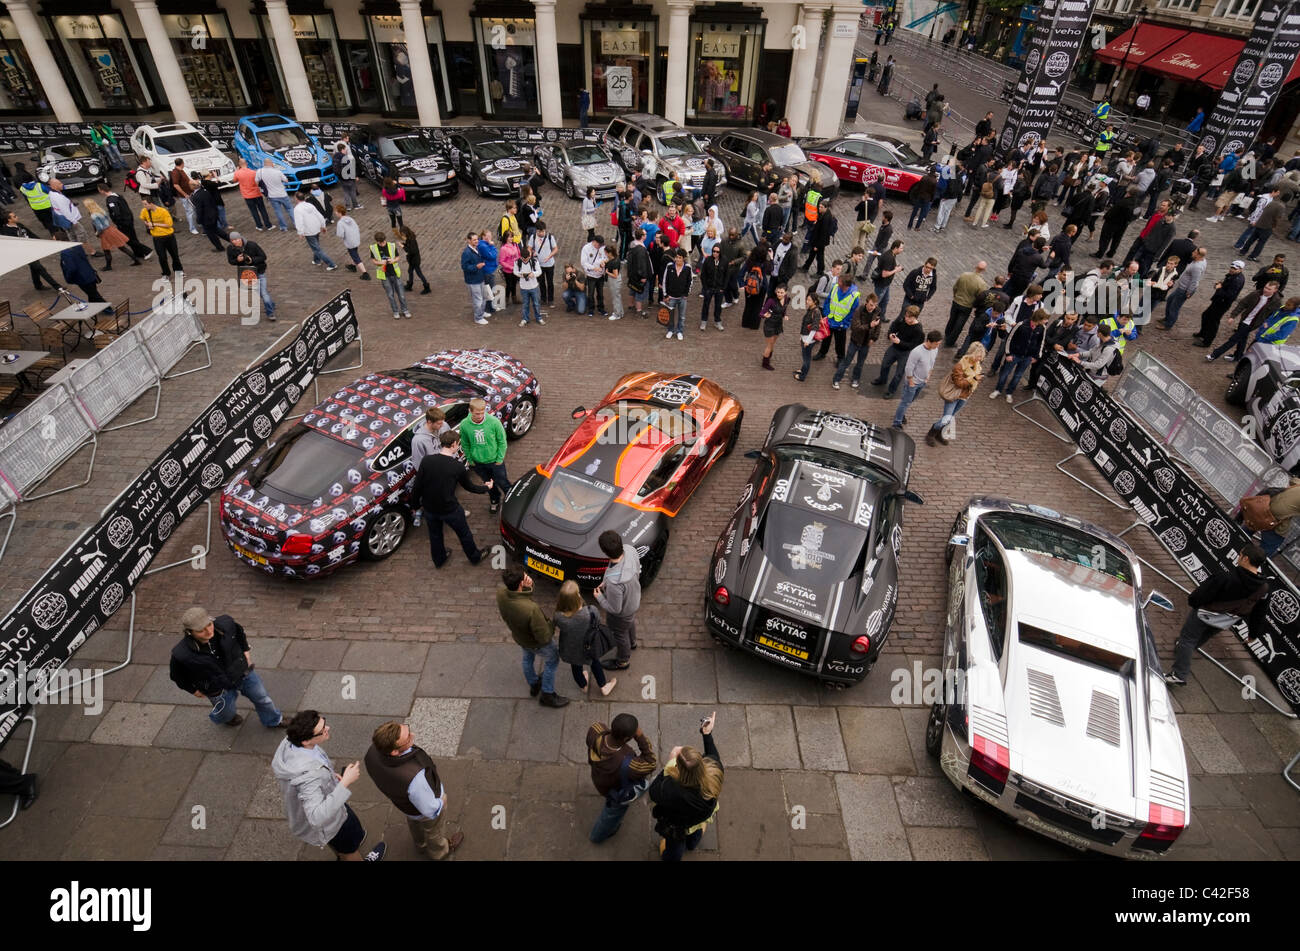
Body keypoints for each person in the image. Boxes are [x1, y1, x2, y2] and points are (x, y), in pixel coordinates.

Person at [272, 711, 385, 862]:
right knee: (349, 849)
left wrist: (330, 778)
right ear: (306, 741)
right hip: (332, 822)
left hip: (332, 806)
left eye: (324, 722)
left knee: (346, 841)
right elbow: (317, 817)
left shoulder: (291, 742)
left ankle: (349, 846)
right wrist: (345, 783)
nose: (328, 728)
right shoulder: (308, 777)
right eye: (322, 729)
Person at [1165, 545, 1268, 686]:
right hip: (1226, 620)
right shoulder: (1263, 588)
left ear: (1246, 558)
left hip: (1205, 614)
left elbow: (1202, 594)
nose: (1238, 556)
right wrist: (1253, 634)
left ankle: (1179, 674)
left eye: (1240, 554)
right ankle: (1183, 651)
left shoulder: (1227, 577)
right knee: (1201, 638)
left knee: (1187, 639)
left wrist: (1194, 602)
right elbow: (1259, 612)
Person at [169, 607, 288, 728]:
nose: (209, 631)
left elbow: (239, 632)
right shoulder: (181, 654)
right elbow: (176, 675)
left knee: (262, 698)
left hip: (242, 673)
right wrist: (192, 690)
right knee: (226, 712)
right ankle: (228, 717)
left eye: (209, 624)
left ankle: (274, 720)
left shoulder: (226, 624)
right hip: (217, 688)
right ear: (189, 632)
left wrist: (245, 649)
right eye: (201, 630)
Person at [364, 720, 463, 860]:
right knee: (433, 830)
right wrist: (441, 802)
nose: (413, 735)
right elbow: (430, 810)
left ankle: (420, 845)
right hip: (426, 806)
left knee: (415, 823)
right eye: (408, 737)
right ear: (394, 751)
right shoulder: (415, 778)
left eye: (407, 729)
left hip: (405, 805)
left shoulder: (371, 753)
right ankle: (440, 852)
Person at [649, 711, 723, 861]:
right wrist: (706, 734)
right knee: (696, 830)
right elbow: (713, 755)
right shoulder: (714, 771)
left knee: (675, 846)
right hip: (700, 816)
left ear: (679, 767)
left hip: (678, 824)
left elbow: (653, 791)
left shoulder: (671, 788)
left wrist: (668, 765)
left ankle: (671, 858)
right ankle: (692, 843)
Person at [410, 428, 489, 567]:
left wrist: (415, 506)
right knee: (464, 534)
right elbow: (470, 487)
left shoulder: (427, 461)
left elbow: (417, 486)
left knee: (435, 536)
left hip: (430, 509)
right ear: (453, 444)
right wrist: (486, 487)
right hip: (450, 510)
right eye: (458, 444)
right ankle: (475, 557)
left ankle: (439, 559)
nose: (458, 446)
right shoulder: (457, 466)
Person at [498, 566, 568, 707]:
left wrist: (528, 587)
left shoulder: (501, 594)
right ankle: (547, 694)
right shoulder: (531, 610)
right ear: (521, 584)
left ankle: (534, 683)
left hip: (521, 637)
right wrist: (551, 625)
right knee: (552, 661)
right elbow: (544, 637)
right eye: (525, 577)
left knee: (527, 658)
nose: (528, 577)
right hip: (536, 642)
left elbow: (521, 599)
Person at [587, 713, 657, 843]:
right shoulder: (628, 763)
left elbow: (603, 730)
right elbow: (651, 762)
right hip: (614, 792)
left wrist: (619, 731)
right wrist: (640, 737)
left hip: (598, 777)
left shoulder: (595, 730)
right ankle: (597, 836)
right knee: (611, 815)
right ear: (627, 738)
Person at [554, 580, 616, 697]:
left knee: (576, 667)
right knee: (595, 663)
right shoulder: (590, 611)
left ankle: (583, 685)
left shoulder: (558, 616)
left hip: (571, 648)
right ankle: (603, 686)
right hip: (589, 645)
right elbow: (597, 623)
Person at [594, 530, 641, 671]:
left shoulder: (615, 583)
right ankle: (633, 643)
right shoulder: (630, 550)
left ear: (604, 551)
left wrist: (600, 597)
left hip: (621, 613)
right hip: (633, 600)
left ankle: (623, 661)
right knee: (629, 622)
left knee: (620, 635)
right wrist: (606, 583)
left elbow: (615, 609)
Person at [1208, 279, 1282, 362]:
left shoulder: (1277, 302)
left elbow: (1275, 315)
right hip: (1244, 320)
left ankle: (1214, 355)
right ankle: (1238, 356)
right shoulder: (1255, 294)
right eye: (1265, 287)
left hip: (1253, 324)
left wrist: (1267, 323)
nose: (1266, 290)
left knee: (1233, 339)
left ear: (1275, 290)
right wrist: (1233, 316)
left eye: (1269, 289)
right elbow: (1242, 303)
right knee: (1242, 339)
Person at [927, 342, 985, 446]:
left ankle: (939, 434)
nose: (979, 358)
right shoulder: (960, 366)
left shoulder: (977, 366)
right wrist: (974, 379)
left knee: (950, 417)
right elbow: (958, 383)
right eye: (977, 356)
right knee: (946, 419)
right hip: (954, 395)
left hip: (965, 395)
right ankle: (931, 433)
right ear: (972, 354)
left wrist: (975, 380)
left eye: (981, 356)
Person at [991, 308, 1047, 401]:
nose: (1046, 321)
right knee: (1005, 373)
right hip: (1014, 355)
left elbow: (1040, 342)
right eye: (1045, 319)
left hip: (1027, 357)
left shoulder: (1042, 328)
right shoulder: (1021, 325)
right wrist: (1008, 354)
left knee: (1018, 376)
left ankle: (1009, 392)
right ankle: (998, 390)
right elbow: (1010, 338)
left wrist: (1036, 356)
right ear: (1039, 319)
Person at [892, 331, 942, 429]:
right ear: (929, 341)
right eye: (936, 344)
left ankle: (901, 415)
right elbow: (909, 368)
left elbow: (932, 363)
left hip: (922, 382)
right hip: (913, 383)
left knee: (909, 401)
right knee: (905, 402)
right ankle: (897, 422)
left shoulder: (934, 349)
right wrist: (911, 382)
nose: (937, 346)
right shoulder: (917, 351)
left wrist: (928, 376)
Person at [832, 291, 881, 389]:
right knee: (847, 361)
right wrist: (869, 326)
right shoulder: (859, 310)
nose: (873, 307)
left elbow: (878, 326)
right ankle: (836, 379)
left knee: (860, 363)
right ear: (866, 302)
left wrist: (874, 338)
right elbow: (855, 327)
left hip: (866, 343)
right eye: (871, 305)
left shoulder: (877, 311)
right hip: (855, 341)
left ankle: (855, 379)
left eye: (875, 305)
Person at [2, 211, 62, 291]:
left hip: (32, 249)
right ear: (9, 220)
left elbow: (30, 234)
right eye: (14, 216)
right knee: (40, 268)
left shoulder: (19, 225)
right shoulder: (6, 231)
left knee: (35, 268)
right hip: (24, 254)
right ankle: (57, 287)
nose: (17, 217)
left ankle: (37, 285)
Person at [227, 231, 275, 321]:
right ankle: (271, 304)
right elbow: (231, 261)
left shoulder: (252, 245)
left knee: (263, 293)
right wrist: (237, 260)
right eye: (232, 240)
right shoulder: (230, 249)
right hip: (248, 275)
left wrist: (251, 260)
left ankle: (270, 313)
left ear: (240, 238)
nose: (235, 242)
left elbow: (263, 257)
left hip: (259, 272)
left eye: (236, 239)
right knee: (260, 293)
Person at [1157, 246, 1207, 329]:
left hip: (1184, 290)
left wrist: (1189, 292)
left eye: (1194, 252)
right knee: (1170, 300)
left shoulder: (1197, 267)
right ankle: (1167, 318)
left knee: (1174, 307)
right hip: (1181, 287)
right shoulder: (1202, 260)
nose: (1192, 253)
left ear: (1198, 256)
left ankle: (1168, 325)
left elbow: (1195, 281)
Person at [83, 198, 136, 270]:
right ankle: (136, 260)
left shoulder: (93, 215)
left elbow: (100, 227)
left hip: (105, 232)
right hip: (111, 229)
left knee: (106, 250)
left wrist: (97, 233)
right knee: (121, 247)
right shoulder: (101, 210)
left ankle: (108, 266)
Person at [945, 262, 989, 347]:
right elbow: (980, 297)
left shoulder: (964, 275)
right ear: (984, 270)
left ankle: (947, 334)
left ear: (975, 266)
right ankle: (950, 342)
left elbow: (955, 287)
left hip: (956, 301)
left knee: (952, 319)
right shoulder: (981, 283)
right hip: (967, 306)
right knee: (959, 325)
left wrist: (955, 296)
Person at [139, 195, 182, 278]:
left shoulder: (163, 211)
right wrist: (148, 225)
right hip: (157, 238)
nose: (144, 206)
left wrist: (154, 224)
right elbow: (143, 219)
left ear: (151, 203)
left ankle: (179, 270)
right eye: (143, 204)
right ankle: (166, 273)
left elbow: (169, 224)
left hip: (168, 236)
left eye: (145, 204)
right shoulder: (144, 211)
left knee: (174, 255)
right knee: (162, 257)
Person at [56, 232, 105, 304]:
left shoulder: (65, 253)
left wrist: (68, 278)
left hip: (81, 278)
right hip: (89, 273)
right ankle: (94, 307)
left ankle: (108, 309)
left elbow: (72, 268)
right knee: (92, 293)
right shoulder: (76, 246)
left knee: (94, 295)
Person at [293, 190, 336, 270]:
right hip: (316, 228)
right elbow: (319, 215)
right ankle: (316, 260)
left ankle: (331, 264)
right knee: (316, 245)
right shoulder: (310, 205)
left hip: (309, 231)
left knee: (316, 249)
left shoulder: (297, 209)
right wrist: (323, 225)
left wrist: (300, 232)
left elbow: (299, 221)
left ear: (296, 199)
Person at [371, 230, 410, 320]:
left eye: (383, 242)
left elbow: (398, 257)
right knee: (390, 295)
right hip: (384, 275)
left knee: (401, 294)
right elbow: (373, 260)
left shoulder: (391, 246)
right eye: (380, 243)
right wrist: (379, 262)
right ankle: (395, 311)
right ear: (377, 242)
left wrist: (393, 260)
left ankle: (405, 310)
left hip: (395, 273)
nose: (382, 244)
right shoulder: (373, 248)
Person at [663, 248, 694, 340]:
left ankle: (680, 331)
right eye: (676, 257)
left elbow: (690, 281)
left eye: (679, 258)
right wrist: (665, 295)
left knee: (682, 316)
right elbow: (665, 280)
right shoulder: (669, 266)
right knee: (670, 315)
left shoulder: (688, 268)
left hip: (682, 297)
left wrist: (686, 294)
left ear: (683, 258)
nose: (677, 259)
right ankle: (670, 330)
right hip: (671, 297)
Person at [759, 283, 789, 371]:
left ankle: (768, 357)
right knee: (769, 345)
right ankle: (765, 363)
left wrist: (785, 315)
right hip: (770, 325)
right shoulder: (771, 301)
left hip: (778, 325)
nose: (779, 294)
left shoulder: (787, 299)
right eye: (778, 292)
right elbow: (761, 313)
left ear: (786, 293)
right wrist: (765, 315)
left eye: (782, 292)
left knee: (773, 344)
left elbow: (784, 309)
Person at [256, 158, 292, 232]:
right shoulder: (277, 171)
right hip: (282, 194)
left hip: (272, 196)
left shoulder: (260, 171)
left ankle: (283, 227)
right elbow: (286, 180)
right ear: (271, 163)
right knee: (290, 209)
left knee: (278, 211)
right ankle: (296, 225)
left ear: (264, 164)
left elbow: (256, 182)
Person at [793, 290, 822, 382]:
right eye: (807, 299)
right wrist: (801, 337)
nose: (807, 301)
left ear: (815, 302)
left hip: (808, 341)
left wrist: (807, 341)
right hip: (804, 338)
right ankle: (802, 370)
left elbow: (814, 328)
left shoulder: (816, 312)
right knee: (805, 356)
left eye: (809, 300)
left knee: (807, 358)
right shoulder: (811, 309)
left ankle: (802, 376)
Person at [898, 257, 939, 321]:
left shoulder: (933, 276)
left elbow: (933, 288)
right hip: (909, 300)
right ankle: (893, 329)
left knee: (913, 318)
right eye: (927, 267)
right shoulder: (915, 272)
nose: (928, 269)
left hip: (920, 302)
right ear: (924, 264)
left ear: (934, 268)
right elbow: (905, 285)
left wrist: (927, 297)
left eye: (930, 268)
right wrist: (911, 295)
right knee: (902, 316)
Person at [461, 231, 489, 325]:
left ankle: (481, 312)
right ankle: (478, 317)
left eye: (477, 239)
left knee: (484, 297)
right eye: (474, 240)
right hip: (473, 280)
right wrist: (476, 267)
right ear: (469, 241)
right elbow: (464, 267)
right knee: (478, 300)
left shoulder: (476, 249)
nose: (477, 241)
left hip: (480, 277)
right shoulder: (467, 253)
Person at [410, 406, 449, 472]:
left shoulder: (444, 425)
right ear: (429, 422)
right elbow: (419, 464)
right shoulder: (418, 441)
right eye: (439, 423)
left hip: (448, 465)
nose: (442, 425)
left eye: (442, 422)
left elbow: (451, 442)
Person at [700, 242, 727, 331]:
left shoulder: (724, 261)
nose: (715, 253)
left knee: (718, 306)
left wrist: (723, 288)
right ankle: (704, 321)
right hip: (709, 287)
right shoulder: (708, 260)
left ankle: (717, 321)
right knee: (706, 305)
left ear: (720, 252)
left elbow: (727, 275)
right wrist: (705, 287)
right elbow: (703, 274)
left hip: (719, 288)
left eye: (717, 252)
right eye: (713, 251)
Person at [530, 221, 558, 307]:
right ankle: (543, 298)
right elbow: (529, 248)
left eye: (542, 231)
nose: (541, 233)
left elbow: (555, 249)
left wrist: (549, 256)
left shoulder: (550, 237)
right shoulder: (533, 237)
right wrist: (532, 252)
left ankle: (550, 299)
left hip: (549, 264)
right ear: (536, 230)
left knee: (550, 282)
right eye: (539, 232)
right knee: (541, 282)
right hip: (539, 265)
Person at [515, 245, 544, 326]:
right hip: (523, 287)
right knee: (525, 304)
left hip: (534, 286)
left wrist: (533, 274)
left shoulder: (534, 261)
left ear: (529, 256)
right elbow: (515, 271)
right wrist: (521, 274)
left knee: (536, 303)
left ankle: (538, 317)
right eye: (523, 259)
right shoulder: (517, 262)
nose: (525, 260)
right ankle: (525, 318)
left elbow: (539, 271)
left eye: (527, 258)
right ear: (521, 257)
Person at [581, 235, 609, 316]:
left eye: (601, 245)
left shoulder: (603, 248)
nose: (600, 247)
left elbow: (607, 257)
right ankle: (591, 308)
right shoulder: (586, 248)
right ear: (594, 242)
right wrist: (594, 268)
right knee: (591, 293)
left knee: (600, 293)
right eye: (598, 245)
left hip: (600, 275)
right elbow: (584, 263)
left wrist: (604, 262)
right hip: (591, 275)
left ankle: (601, 308)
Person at [170, 159, 199, 235]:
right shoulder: (176, 172)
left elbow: (187, 181)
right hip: (185, 196)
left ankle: (197, 223)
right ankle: (192, 228)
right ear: (182, 163)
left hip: (189, 193)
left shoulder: (181, 171)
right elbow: (175, 185)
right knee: (190, 211)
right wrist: (184, 194)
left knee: (194, 209)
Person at [332, 141, 361, 212]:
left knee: (345, 192)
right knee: (352, 191)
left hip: (341, 178)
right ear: (342, 149)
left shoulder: (335, 156)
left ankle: (348, 207)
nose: (346, 151)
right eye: (345, 149)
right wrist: (355, 176)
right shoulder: (345, 157)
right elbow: (350, 168)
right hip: (349, 178)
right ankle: (355, 205)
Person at [605, 254, 624, 321]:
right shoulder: (615, 259)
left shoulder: (614, 262)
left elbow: (615, 275)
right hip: (615, 280)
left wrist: (607, 272)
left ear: (609, 253)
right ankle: (620, 312)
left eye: (606, 253)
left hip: (614, 281)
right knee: (617, 297)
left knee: (615, 297)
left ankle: (617, 314)